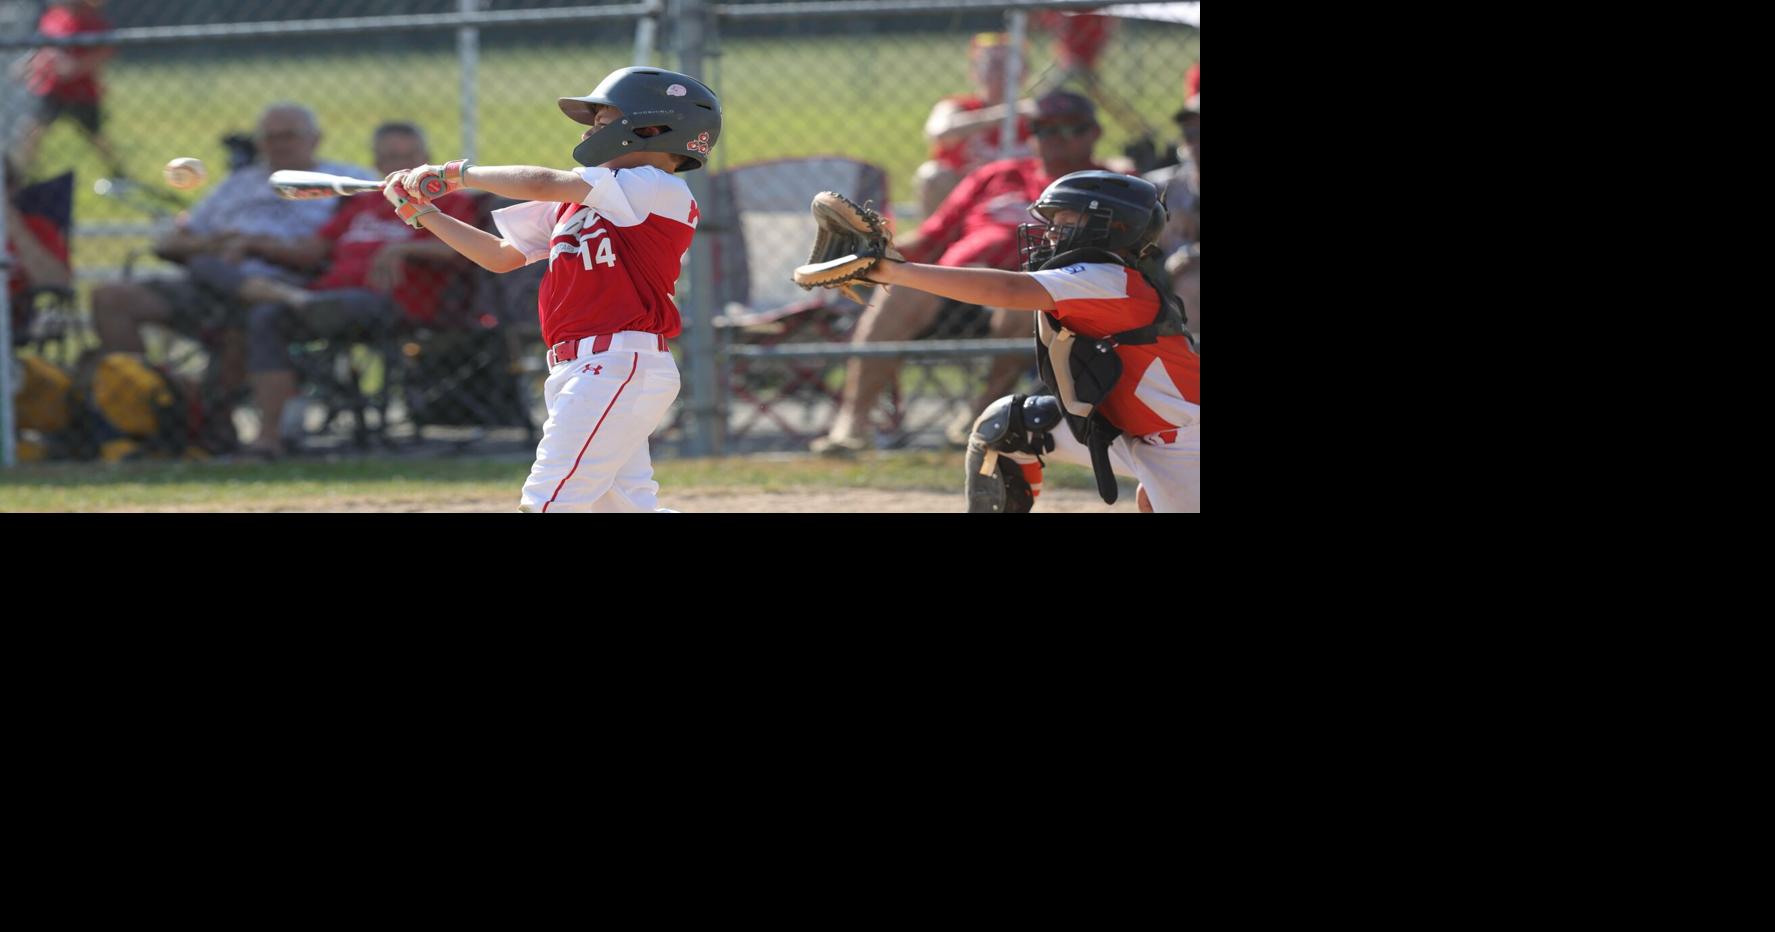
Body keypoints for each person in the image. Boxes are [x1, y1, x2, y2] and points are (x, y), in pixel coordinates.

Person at [381, 67, 718, 513]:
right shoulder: (581, 201)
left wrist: (457, 175)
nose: (594, 131)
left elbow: (544, 181)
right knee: (621, 508)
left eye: (604, 120)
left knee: (548, 502)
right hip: (583, 369)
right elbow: (502, 255)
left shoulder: (658, 188)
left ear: (651, 128)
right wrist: (422, 214)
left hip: (617, 363)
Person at [859, 170, 1200, 512]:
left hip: (1186, 447)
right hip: (1144, 436)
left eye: (1066, 219)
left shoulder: (1107, 279)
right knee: (1010, 427)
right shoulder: (1101, 280)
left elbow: (1006, 290)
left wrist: (897, 271)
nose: (1051, 232)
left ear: (1114, 229)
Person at [812, 90, 1110, 456]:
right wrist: (869, 253)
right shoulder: (997, 175)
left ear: (1093, 133)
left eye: (1070, 129)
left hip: (1029, 291)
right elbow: (931, 236)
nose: (1056, 139)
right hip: (957, 286)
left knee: (1026, 302)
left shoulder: (1104, 185)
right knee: (899, 288)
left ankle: (979, 419)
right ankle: (852, 424)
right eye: (1044, 129)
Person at [89, 103, 374, 411]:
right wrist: (215, 245)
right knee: (111, 298)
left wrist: (254, 245)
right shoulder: (238, 184)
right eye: (269, 137)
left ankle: (212, 415)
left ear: (316, 139)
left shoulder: (348, 179)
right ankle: (147, 400)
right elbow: (168, 243)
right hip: (210, 282)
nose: (279, 144)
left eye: (289, 136)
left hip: (289, 279)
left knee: (246, 317)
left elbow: (365, 236)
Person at [229, 122, 478, 458]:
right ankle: (272, 433)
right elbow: (313, 250)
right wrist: (254, 244)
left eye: (410, 157)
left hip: (392, 304)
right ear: (376, 163)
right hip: (329, 294)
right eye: (390, 157)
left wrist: (402, 249)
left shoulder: (449, 200)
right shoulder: (364, 202)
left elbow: (464, 249)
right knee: (266, 317)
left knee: (293, 309)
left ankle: (296, 301)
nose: (401, 166)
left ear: (428, 160)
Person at [914, 32, 1035, 218]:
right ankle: (938, 244)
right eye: (993, 65)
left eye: (1008, 65)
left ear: (1024, 72)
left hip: (1022, 200)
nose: (1001, 73)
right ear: (975, 72)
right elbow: (938, 131)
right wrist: (1004, 114)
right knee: (933, 175)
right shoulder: (958, 107)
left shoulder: (1035, 113)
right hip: (968, 199)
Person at [9, 0, 126, 178]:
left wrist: (76, 67)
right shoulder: (52, 18)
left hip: (81, 92)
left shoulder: (92, 21)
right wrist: (27, 65)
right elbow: (42, 48)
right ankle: (22, 175)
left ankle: (117, 172)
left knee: (96, 135)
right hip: (52, 88)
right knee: (32, 131)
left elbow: (104, 52)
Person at [1143, 91, 1199, 341]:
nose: (1197, 143)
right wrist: (1154, 221)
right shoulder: (1161, 187)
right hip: (1160, 283)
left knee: (1192, 284)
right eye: (1191, 135)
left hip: (1188, 284)